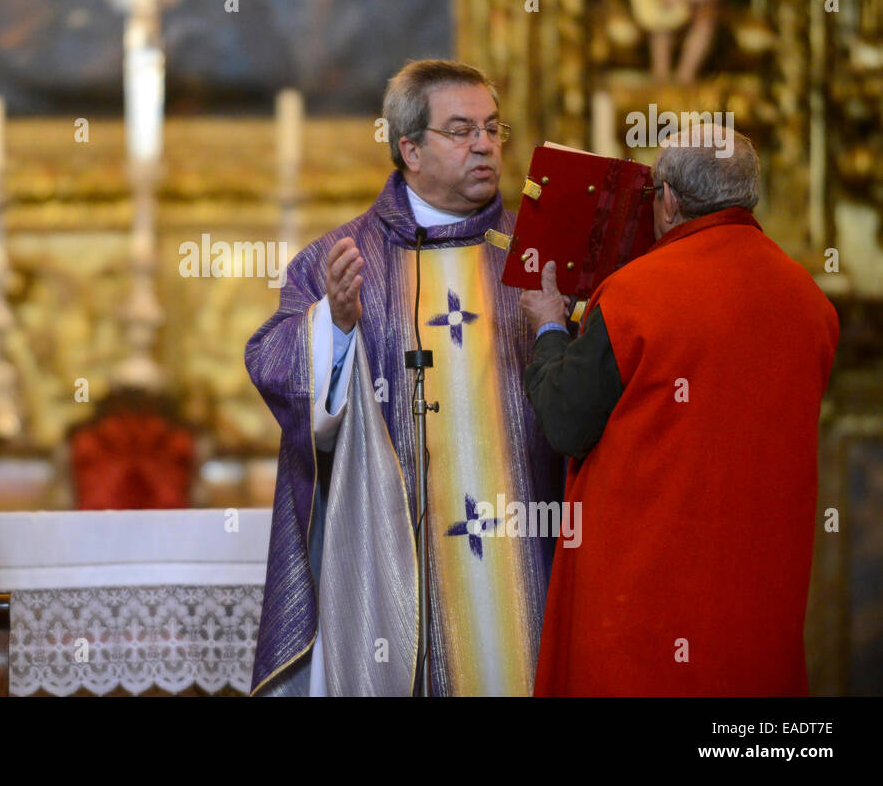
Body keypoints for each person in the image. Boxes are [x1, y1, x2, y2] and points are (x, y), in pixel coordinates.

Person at [246, 59, 563, 696]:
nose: (484, 144)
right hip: (389, 562)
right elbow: (274, 366)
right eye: (461, 129)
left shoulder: (541, 255)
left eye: (493, 128)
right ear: (408, 149)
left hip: (527, 550)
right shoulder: (343, 259)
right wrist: (332, 326)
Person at [520, 124, 837, 695]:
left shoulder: (634, 294)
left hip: (645, 595)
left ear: (666, 199)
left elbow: (566, 422)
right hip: (757, 595)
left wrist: (547, 324)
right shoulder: (810, 300)